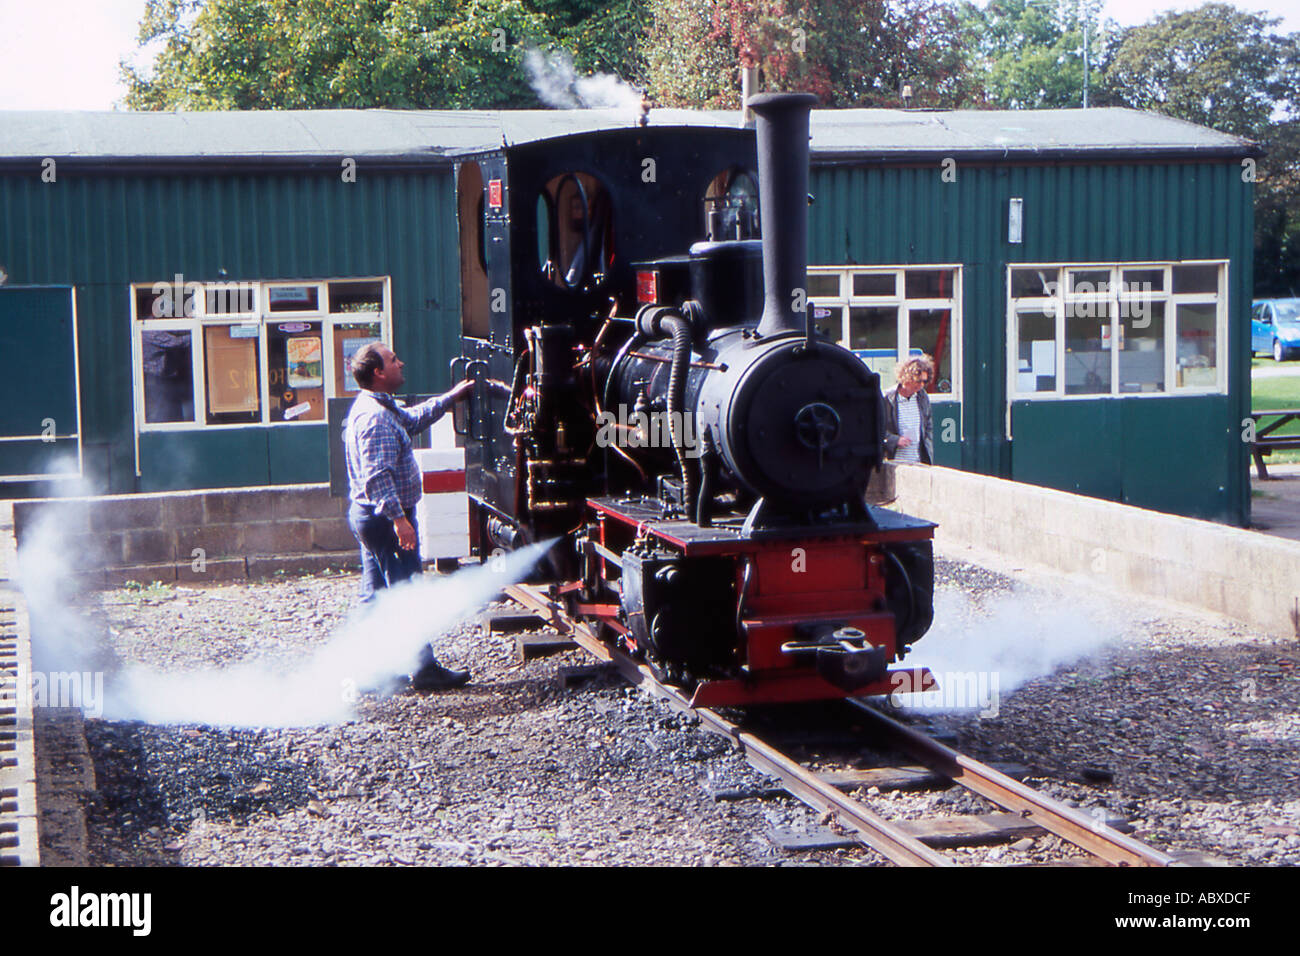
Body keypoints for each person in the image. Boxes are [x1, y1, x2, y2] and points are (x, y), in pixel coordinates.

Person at [344, 341, 474, 691]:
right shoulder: (375, 419)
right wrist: (400, 520)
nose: (400, 362)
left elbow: (413, 419)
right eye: (392, 360)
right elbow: (377, 476)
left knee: (376, 598)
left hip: (371, 517)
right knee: (407, 594)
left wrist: (450, 398)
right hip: (387, 519)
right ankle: (424, 669)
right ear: (378, 373)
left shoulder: (379, 406)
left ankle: (372, 671)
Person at [882, 356, 935, 465]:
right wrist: (895, 440)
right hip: (894, 464)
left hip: (918, 462)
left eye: (924, 381)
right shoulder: (887, 398)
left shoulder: (922, 397)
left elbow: (928, 428)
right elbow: (876, 430)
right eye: (918, 381)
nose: (921, 385)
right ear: (906, 378)